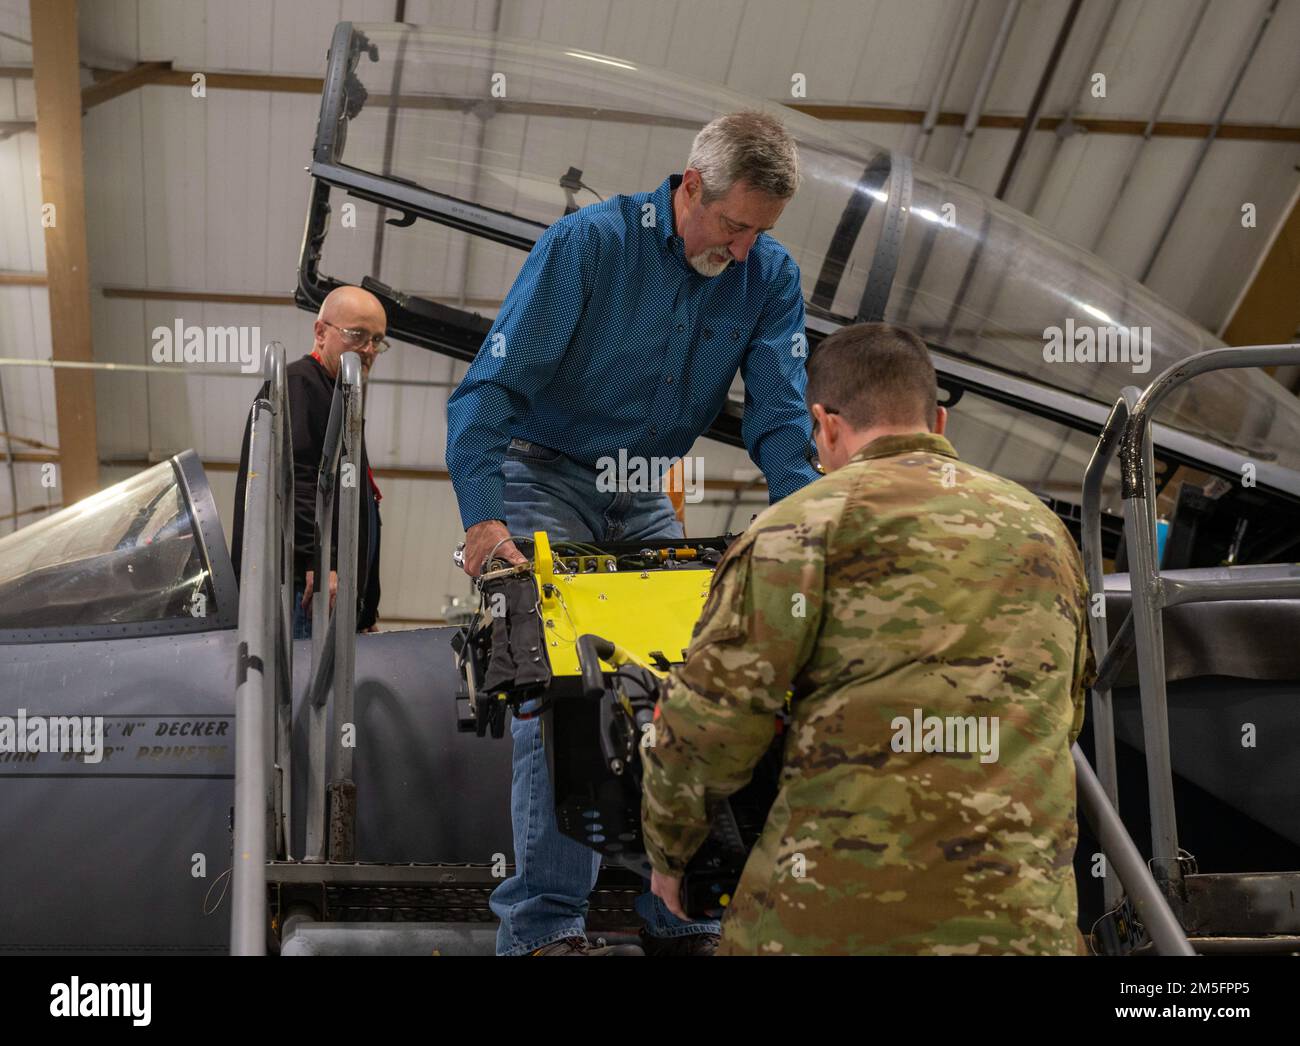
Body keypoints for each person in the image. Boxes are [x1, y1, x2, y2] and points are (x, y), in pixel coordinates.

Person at [446, 111, 819, 956]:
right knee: (563, 693)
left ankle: (683, 907)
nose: (747, 247)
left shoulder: (769, 277)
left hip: (644, 487)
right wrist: (482, 515)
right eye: (734, 225)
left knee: (699, 687)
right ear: (691, 187)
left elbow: (782, 421)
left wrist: (809, 519)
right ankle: (546, 933)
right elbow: (485, 395)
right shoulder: (589, 246)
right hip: (543, 475)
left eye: (762, 231)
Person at [641, 322, 1095, 955]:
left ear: (824, 424)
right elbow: (1067, 713)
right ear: (937, 420)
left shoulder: (796, 529)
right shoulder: (1046, 531)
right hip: (1024, 928)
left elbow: (709, 726)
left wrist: (670, 855)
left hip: (833, 926)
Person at [233, 285, 387, 637]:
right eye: (358, 335)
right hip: (304, 592)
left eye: (377, 340)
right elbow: (297, 480)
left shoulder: (336, 395)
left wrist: (364, 611)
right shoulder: (302, 385)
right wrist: (318, 563)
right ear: (321, 332)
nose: (368, 350)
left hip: (321, 592)